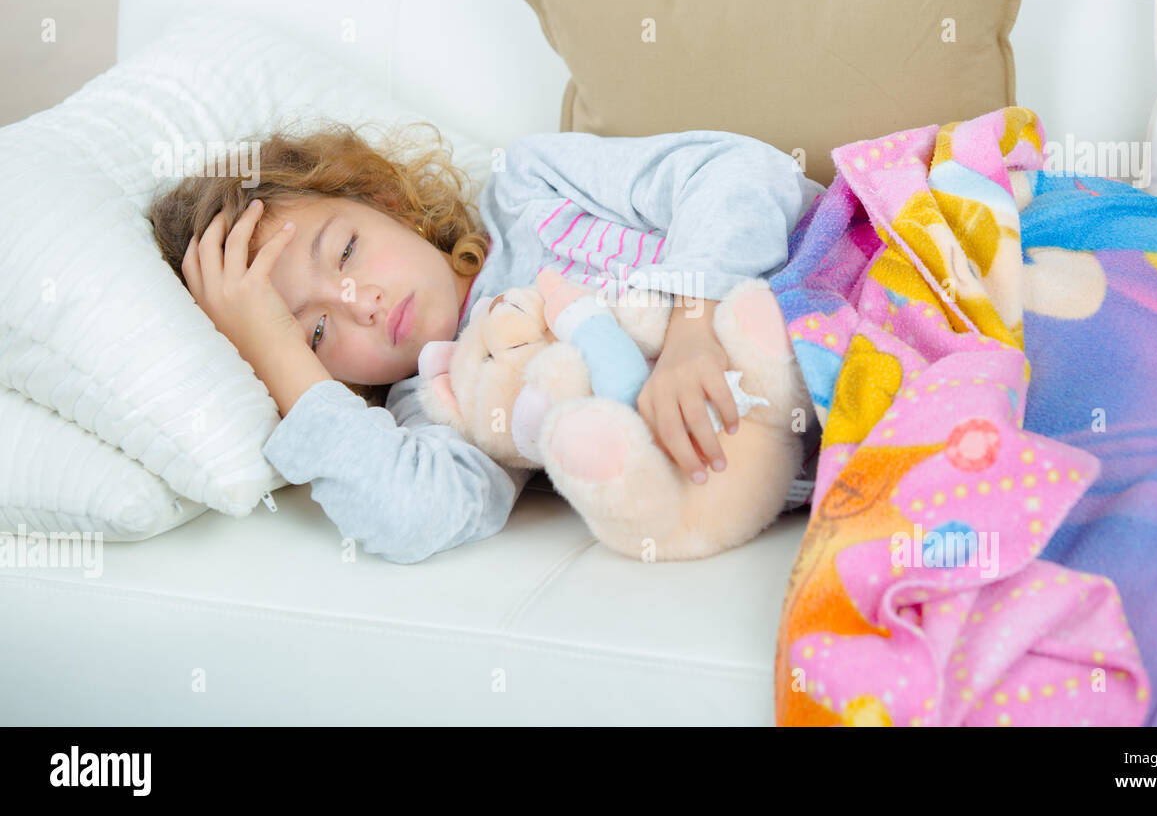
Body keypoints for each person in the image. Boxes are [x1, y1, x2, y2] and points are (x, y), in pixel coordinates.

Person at [148, 119, 823, 563]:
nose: (362, 304)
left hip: (855, 279)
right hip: (845, 436)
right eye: (316, 331)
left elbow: (738, 170)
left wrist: (692, 327)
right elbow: (408, 514)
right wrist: (278, 356)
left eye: (348, 251)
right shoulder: (439, 405)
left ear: (387, 200)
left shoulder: (531, 187)